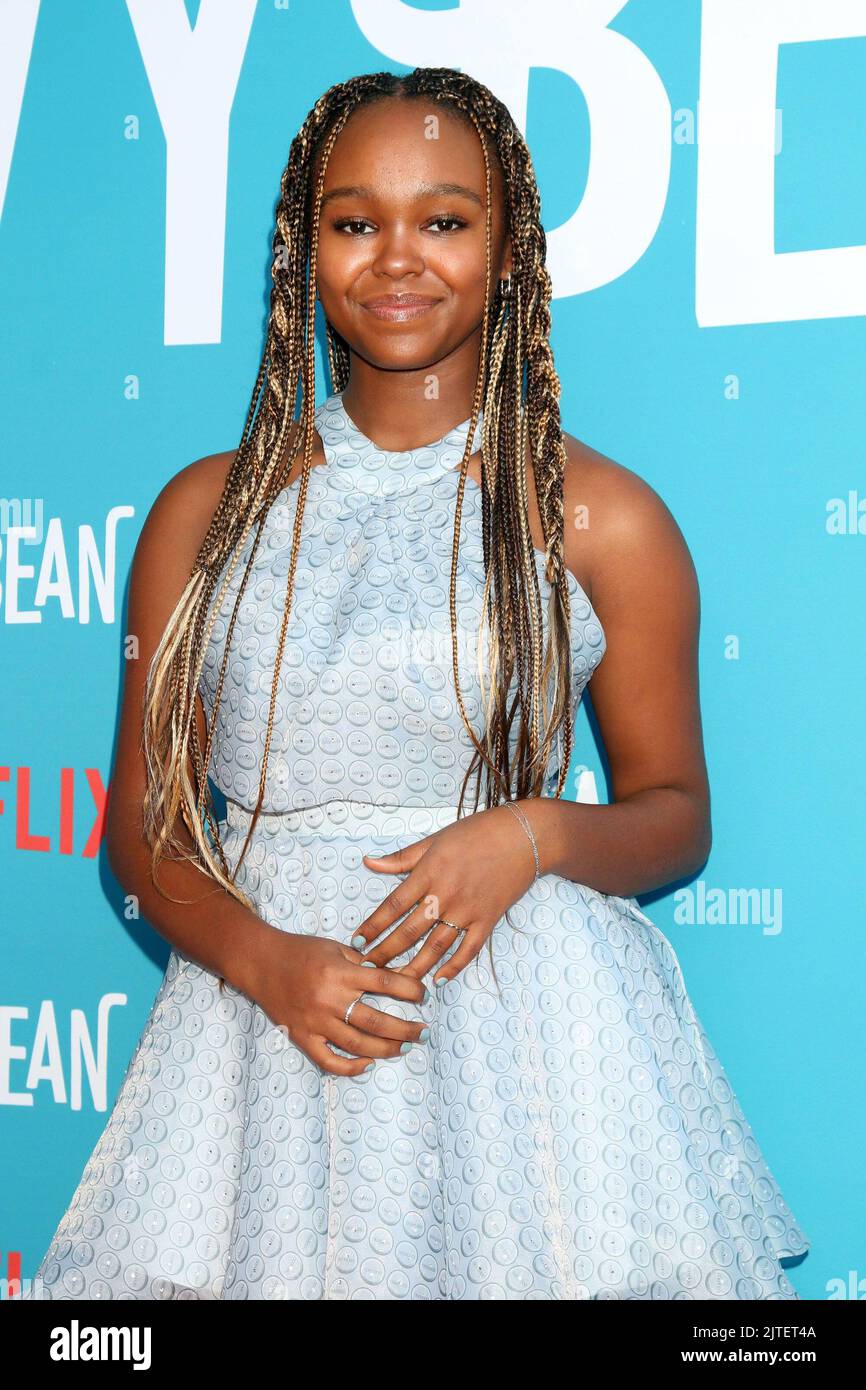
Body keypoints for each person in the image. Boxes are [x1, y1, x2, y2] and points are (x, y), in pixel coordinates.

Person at [24, 67, 809, 1301]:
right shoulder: (202, 512)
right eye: (353, 222)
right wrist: (270, 962)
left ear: (508, 253)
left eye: (442, 219)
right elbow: (143, 832)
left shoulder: (600, 518)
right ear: (303, 249)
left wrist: (532, 835)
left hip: (519, 1040)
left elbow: (673, 812)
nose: (396, 259)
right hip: (262, 1033)